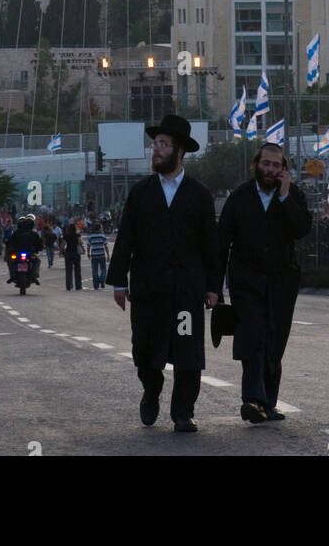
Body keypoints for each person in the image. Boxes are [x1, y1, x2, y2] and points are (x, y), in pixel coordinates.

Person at [108, 114, 220, 434]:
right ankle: (151, 390)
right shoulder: (141, 192)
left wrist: (213, 287)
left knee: (187, 352)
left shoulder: (199, 194)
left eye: (163, 144)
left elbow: (210, 246)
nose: (155, 150)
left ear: (179, 150)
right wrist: (119, 281)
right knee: (146, 351)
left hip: (186, 291)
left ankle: (183, 412)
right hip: (148, 289)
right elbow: (126, 236)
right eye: (155, 143)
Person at [218, 141, 312, 424]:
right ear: (256, 164)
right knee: (253, 336)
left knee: (274, 341)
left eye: (276, 165)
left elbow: (301, 229)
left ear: (283, 169)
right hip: (246, 280)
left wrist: (284, 197)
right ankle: (252, 400)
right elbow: (221, 242)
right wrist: (213, 287)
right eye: (266, 164)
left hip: (282, 281)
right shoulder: (240, 197)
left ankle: (268, 403)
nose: (270, 170)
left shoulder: (293, 195)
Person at [60, 223, 86, 291]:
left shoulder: (66, 236)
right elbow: (81, 242)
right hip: (76, 254)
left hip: (68, 253)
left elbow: (62, 245)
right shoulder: (78, 235)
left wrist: (62, 252)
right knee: (77, 270)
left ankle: (69, 286)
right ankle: (78, 286)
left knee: (68, 271)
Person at [85, 222, 110, 290]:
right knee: (103, 269)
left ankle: (96, 285)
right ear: (98, 229)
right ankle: (102, 280)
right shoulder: (102, 236)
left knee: (94, 270)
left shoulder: (91, 237)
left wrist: (88, 253)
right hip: (101, 255)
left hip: (94, 256)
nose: (102, 229)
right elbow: (106, 246)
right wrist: (108, 255)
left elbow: (88, 246)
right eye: (101, 228)